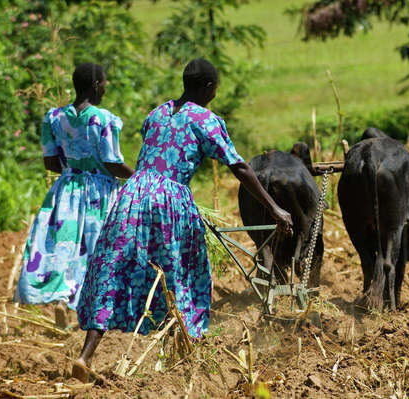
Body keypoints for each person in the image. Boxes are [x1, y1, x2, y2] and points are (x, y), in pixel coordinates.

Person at [73, 58, 293, 382]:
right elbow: (240, 167)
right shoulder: (207, 120)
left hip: (132, 194)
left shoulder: (157, 113)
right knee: (185, 277)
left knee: (113, 271)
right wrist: (274, 207)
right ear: (208, 88)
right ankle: (186, 361)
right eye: (215, 89)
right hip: (169, 201)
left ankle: (84, 356)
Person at [14, 63, 134, 328]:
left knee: (65, 248)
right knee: (97, 250)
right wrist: (137, 176)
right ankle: (92, 311)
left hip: (66, 191)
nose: (105, 87)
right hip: (99, 194)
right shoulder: (103, 119)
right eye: (104, 82)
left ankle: (61, 297)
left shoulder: (54, 117)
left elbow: (49, 162)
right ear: (95, 86)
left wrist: (72, 170)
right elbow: (112, 161)